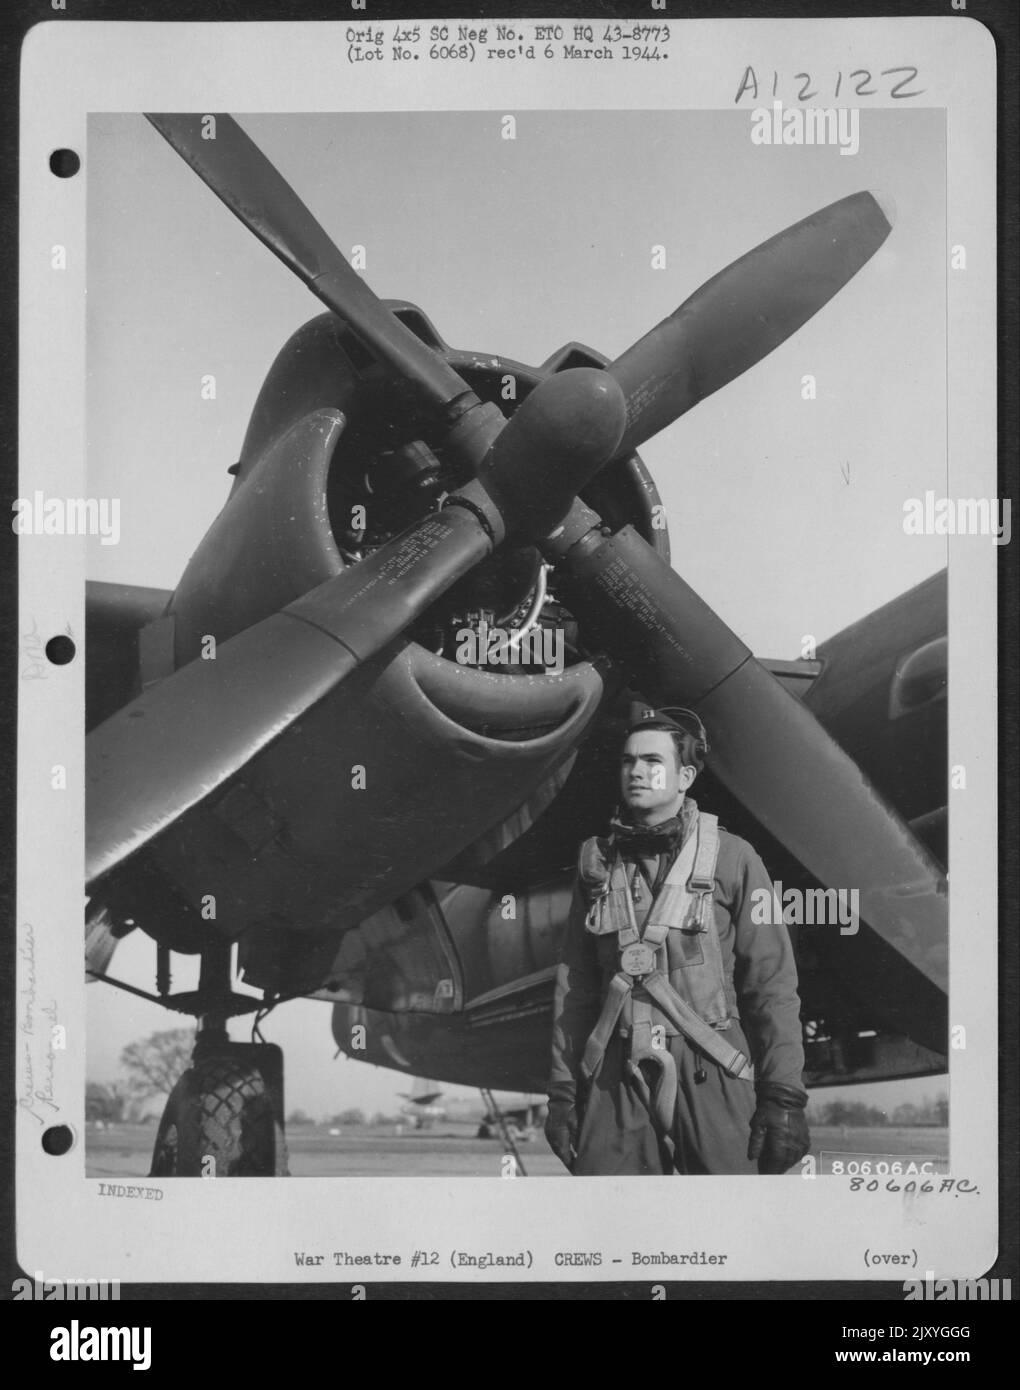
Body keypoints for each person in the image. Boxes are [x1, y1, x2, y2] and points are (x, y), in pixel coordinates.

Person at [545, 705, 810, 1175]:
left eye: (652, 761)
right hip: (614, 1072)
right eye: (628, 762)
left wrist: (783, 1094)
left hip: (714, 1065)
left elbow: (771, 984)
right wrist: (565, 1093)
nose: (636, 772)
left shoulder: (733, 858)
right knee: (610, 1225)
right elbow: (576, 987)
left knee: (730, 1224)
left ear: (685, 775)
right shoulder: (596, 864)